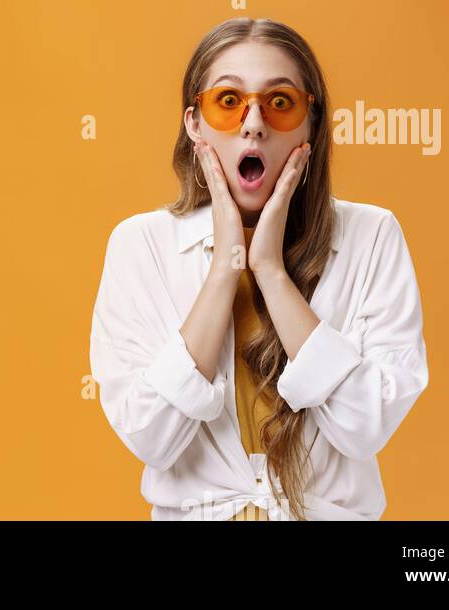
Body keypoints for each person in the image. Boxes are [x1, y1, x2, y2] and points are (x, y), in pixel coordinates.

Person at [88, 17, 429, 520]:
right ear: (194, 125)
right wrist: (226, 267)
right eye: (228, 102)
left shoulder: (373, 235)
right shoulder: (140, 245)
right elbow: (151, 437)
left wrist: (269, 269)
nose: (254, 123)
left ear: (311, 125)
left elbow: (365, 425)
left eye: (280, 103)